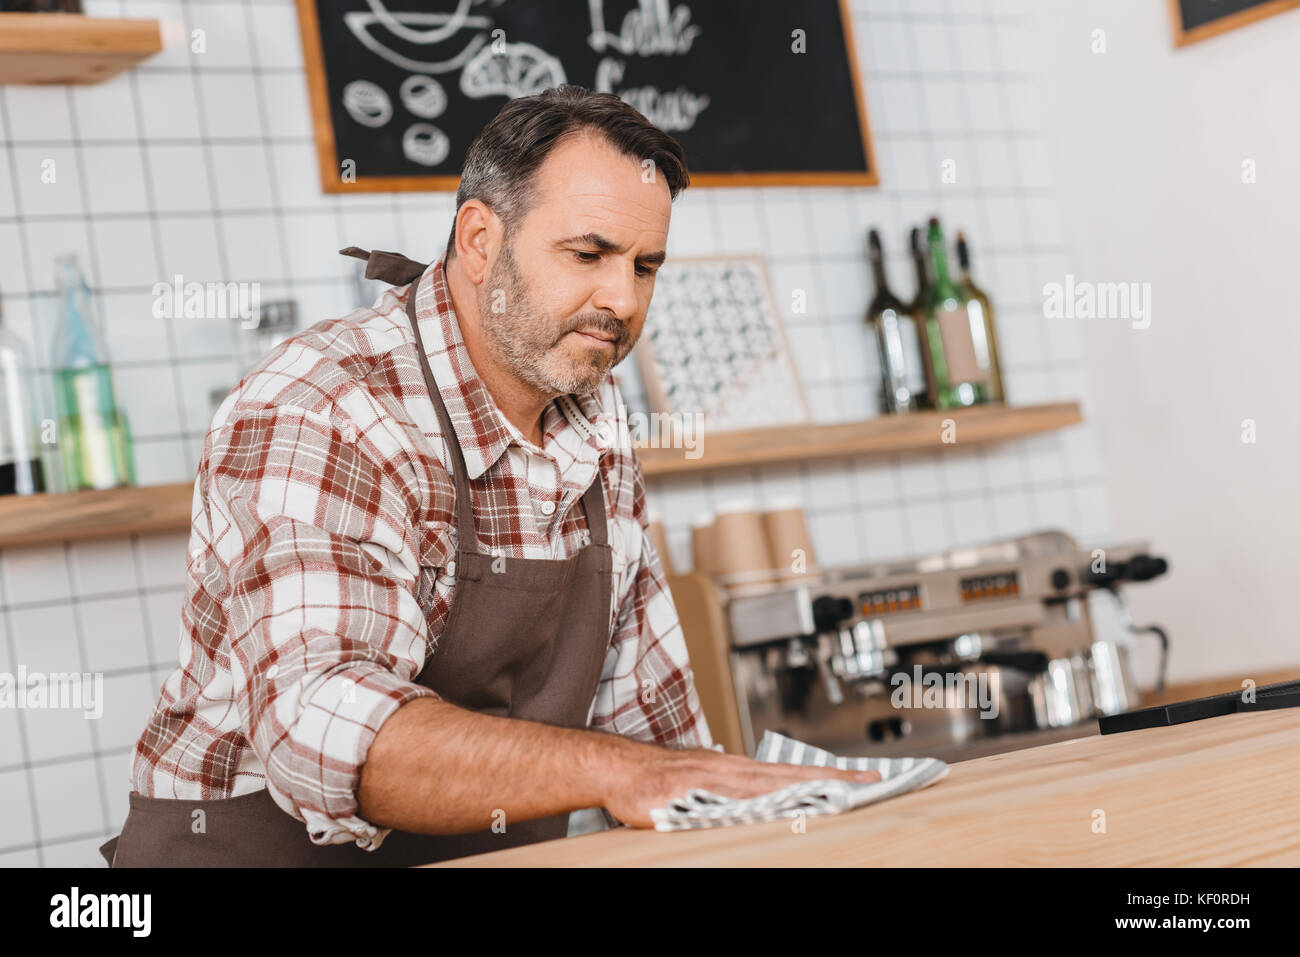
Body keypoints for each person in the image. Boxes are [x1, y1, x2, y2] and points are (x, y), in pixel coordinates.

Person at [101, 84, 878, 867]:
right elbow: (323, 729)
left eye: (646, 266)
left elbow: (654, 729)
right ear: (479, 240)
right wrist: (625, 773)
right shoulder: (326, 404)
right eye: (589, 254)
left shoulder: (595, 425)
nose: (623, 298)